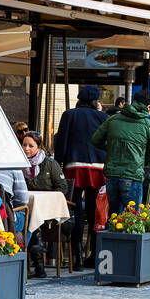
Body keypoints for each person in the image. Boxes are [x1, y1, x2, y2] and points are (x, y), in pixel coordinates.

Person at [53, 84, 107, 270]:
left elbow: (62, 141)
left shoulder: (69, 115)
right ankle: (93, 254)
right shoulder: (102, 117)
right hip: (98, 168)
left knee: (75, 212)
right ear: (94, 101)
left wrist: (58, 165)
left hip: (74, 167)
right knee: (94, 213)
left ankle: (77, 259)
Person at [91, 89, 150, 215]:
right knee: (132, 219)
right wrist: (141, 161)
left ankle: (109, 235)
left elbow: (95, 140)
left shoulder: (113, 119)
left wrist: (112, 148)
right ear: (148, 107)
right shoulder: (148, 124)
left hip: (112, 175)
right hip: (133, 175)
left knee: (114, 215)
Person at [19, 132, 69, 277]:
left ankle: (38, 266)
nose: (26, 149)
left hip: (49, 211)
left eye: (30, 146)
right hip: (26, 208)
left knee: (32, 220)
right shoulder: (19, 164)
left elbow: (62, 187)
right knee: (25, 219)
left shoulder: (49, 163)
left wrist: (48, 199)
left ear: (39, 147)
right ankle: (36, 265)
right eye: (24, 145)